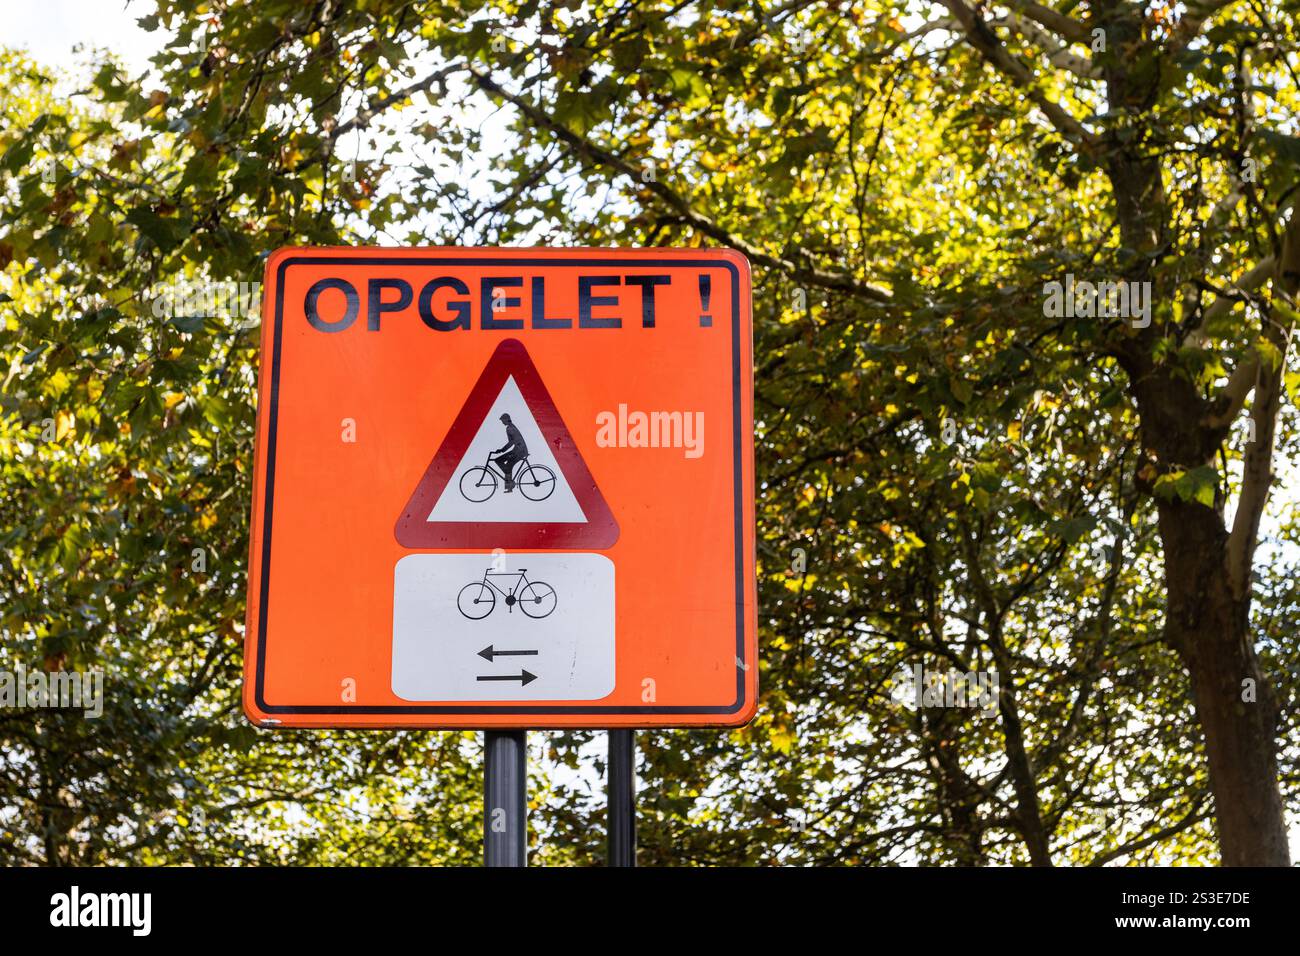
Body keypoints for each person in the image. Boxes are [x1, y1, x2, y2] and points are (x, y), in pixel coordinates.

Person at [491, 413, 529, 492]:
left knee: (499, 461)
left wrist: (501, 450)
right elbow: (512, 442)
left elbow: (511, 442)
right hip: (519, 449)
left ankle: (509, 485)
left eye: (503, 420)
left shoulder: (510, 428)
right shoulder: (511, 426)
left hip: (520, 450)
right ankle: (509, 485)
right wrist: (502, 450)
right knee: (508, 465)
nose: (502, 422)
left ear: (506, 419)